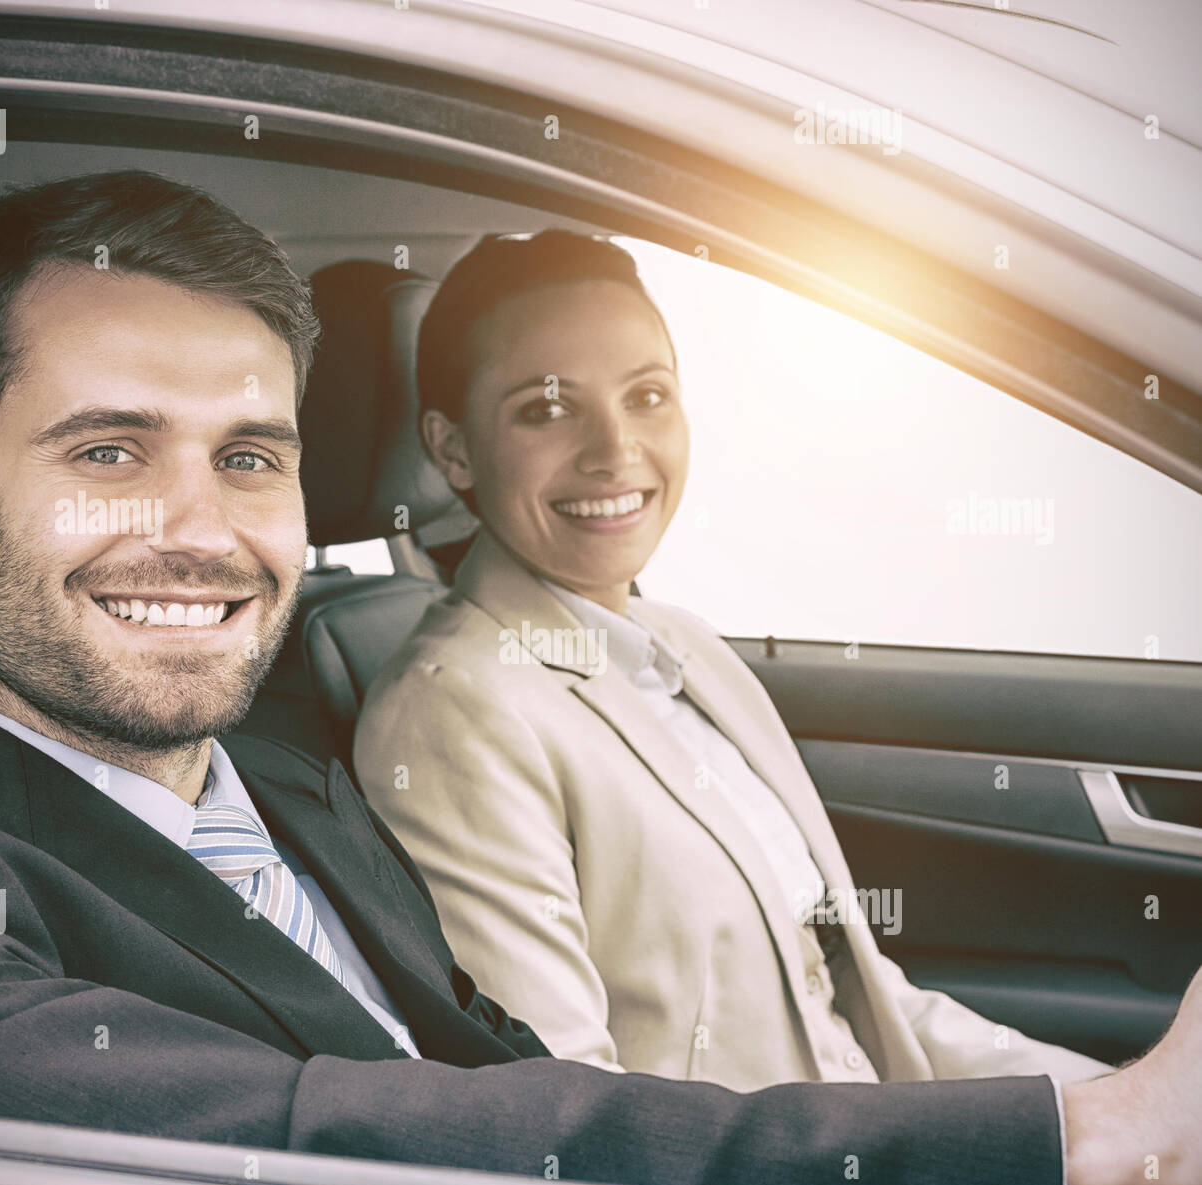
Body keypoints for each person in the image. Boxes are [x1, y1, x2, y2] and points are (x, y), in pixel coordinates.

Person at [0, 172, 1198, 1185]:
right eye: (108, 450)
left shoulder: (287, 781)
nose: (197, 530)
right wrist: (1078, 1143)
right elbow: (351, 1135)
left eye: (248, 458)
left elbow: (507, 1068)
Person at [354, 232, 1114, 1094]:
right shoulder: (455, 710)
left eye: (646, 396)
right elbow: (571, 1116)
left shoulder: (683, 645)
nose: (615, 450)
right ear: (451, 450)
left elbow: (863, 1002)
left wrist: (1101, 1108)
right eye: (547, 408)